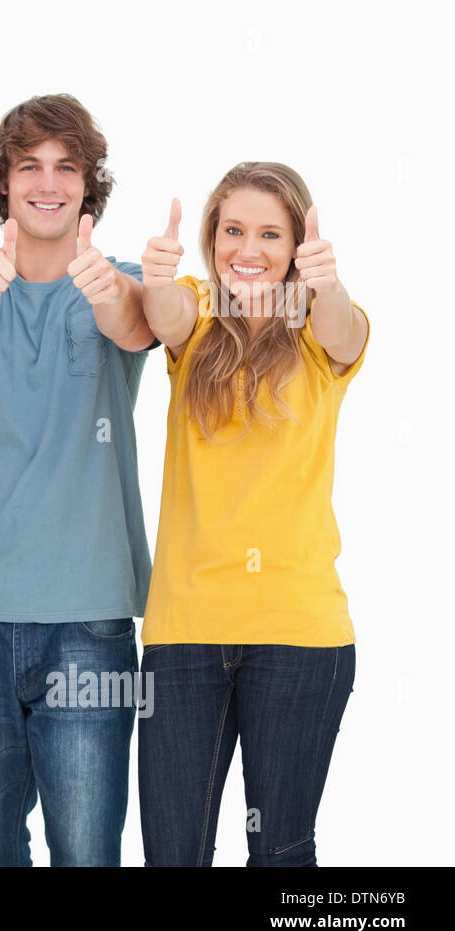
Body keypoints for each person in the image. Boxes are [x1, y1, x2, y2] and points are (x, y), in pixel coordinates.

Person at [0, 94, 157, 866]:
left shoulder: (117, 282)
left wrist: (108, 290)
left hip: (90, 620)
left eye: (67, 167)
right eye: (30, 167)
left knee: (86, 851)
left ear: (89, 186)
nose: (48, 183)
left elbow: (135, 323)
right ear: (4, 183)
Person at [137, 162, 367, 867]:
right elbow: (164, 317)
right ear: (213, 237)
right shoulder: (197, 313)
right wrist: (154, 277)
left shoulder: (317, 333)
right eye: (234, 230)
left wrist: (324, 285)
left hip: (298, 635)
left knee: (281, 853)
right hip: (184, 635)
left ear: (298, 242)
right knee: (175, 855)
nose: (250, 249)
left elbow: (346, 331)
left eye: (272, 233)